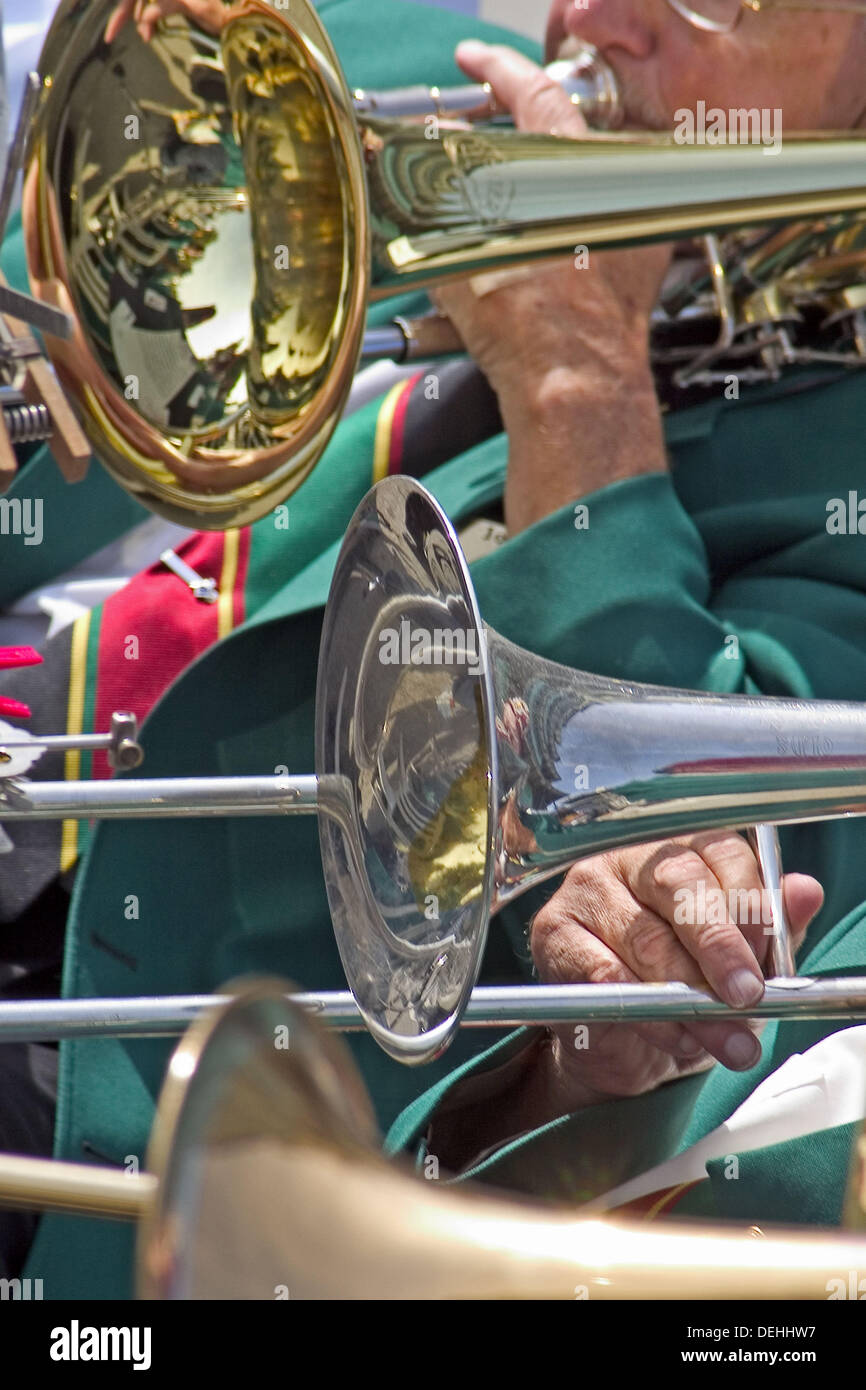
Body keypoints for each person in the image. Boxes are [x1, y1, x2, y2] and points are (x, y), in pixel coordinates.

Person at [1, 0, 866, 1296]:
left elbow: (692, 873)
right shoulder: (352, 65)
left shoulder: (836, 477)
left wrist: (575, 389)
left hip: (112, 1090)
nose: (592, 17)